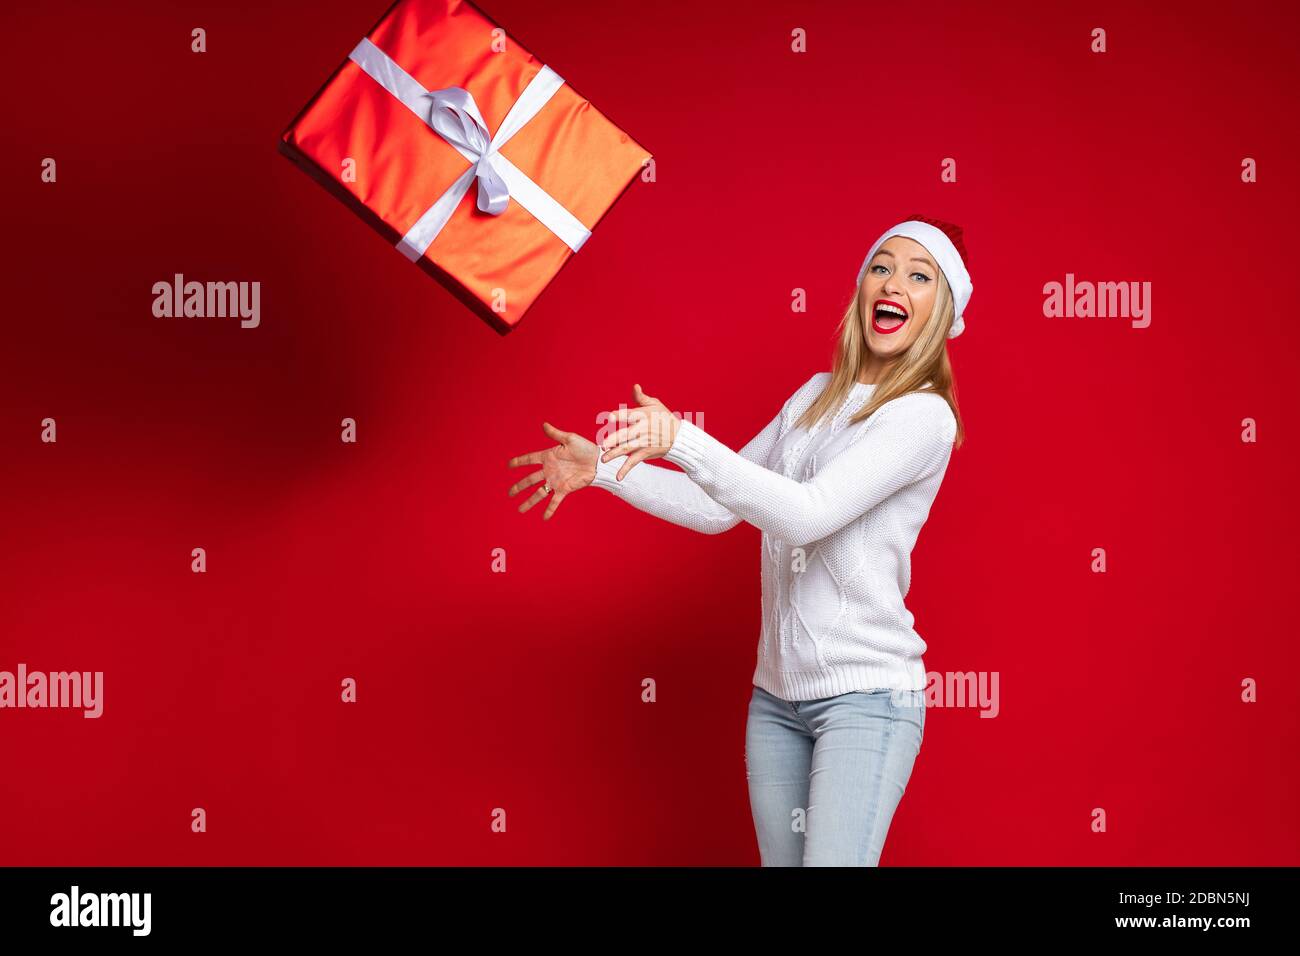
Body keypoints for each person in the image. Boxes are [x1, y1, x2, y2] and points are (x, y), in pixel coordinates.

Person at [507, 215, 973, 866]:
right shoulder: (813, 398)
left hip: (868, 701)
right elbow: (715, 506)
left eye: (919, 275)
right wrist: (606, 470)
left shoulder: (922, 415)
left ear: (941, 309)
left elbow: (810, 513)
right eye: (881, 266)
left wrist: (684, 440)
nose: (893, 282)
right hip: (776, 703)